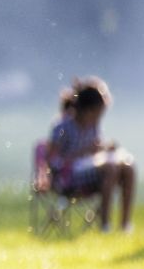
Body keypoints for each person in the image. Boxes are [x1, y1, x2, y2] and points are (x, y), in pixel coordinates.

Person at [44, 77, 136, 232]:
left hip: (90, 171)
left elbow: (94, 152)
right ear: (88, 111)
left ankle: (125, 225)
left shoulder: (93, 126)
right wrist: (83, 152)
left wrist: (104, 148)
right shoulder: (62, 126)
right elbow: (52, 160)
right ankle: (105, 225)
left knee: (128, 167)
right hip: (68, 177)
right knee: (110, 168)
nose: (99, 118)